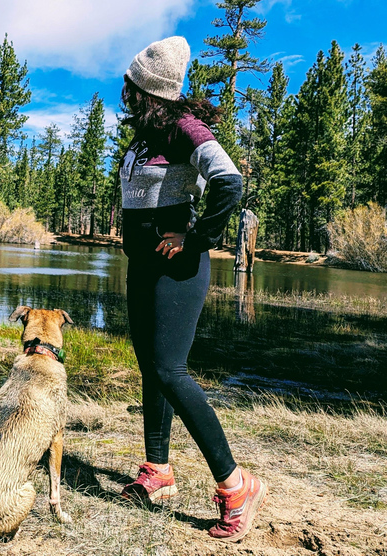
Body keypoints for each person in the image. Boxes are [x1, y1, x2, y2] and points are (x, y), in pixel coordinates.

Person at [119, 36, 267, 543]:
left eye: (134, 85)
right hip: (144, 268)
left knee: (170, 370)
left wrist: (194, 239)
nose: (127, 91)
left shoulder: (185, 127)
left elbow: (229, 181)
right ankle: (157, 472)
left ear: (149, 90)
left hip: (177, 270)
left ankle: (236, 486)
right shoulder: (146, 133)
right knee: (151, 369)